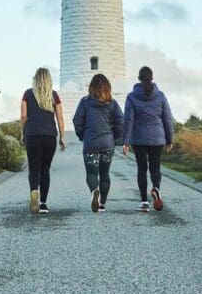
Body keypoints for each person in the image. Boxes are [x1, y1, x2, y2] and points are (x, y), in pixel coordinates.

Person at [122, 66, 175, 212]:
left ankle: (144, 202)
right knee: (155, 168)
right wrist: (169, 139)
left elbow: (128, 120)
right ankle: (156, 188)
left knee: (142, 169)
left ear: (139, 78)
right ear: (152, 77)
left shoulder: (131, 97)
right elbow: (167, 119)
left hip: (138, 139)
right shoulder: (160, 95)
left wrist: (125, 141)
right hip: (157, 138)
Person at [73, 73, 123, 213]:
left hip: (91, 143)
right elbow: (120, 122)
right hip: (107, 144)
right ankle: (102, 204)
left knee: (92, 174)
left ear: (91, 87)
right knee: (105, 174)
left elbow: (77, 121)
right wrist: (115, 138)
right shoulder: (112, 103)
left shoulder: (84, 102)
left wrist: (82, 135)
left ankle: (95, 190)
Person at [20, 67, 66, 215]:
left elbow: (24, 117)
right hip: (49, 136)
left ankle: (34, 191)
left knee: (34, 168)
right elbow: (60, 118)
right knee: (45, 170)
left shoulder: (27, 94)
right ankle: (44, 204)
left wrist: (22, 134)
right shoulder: (54, 95)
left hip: (32, 135)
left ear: (35, 79)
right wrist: (62, 137)